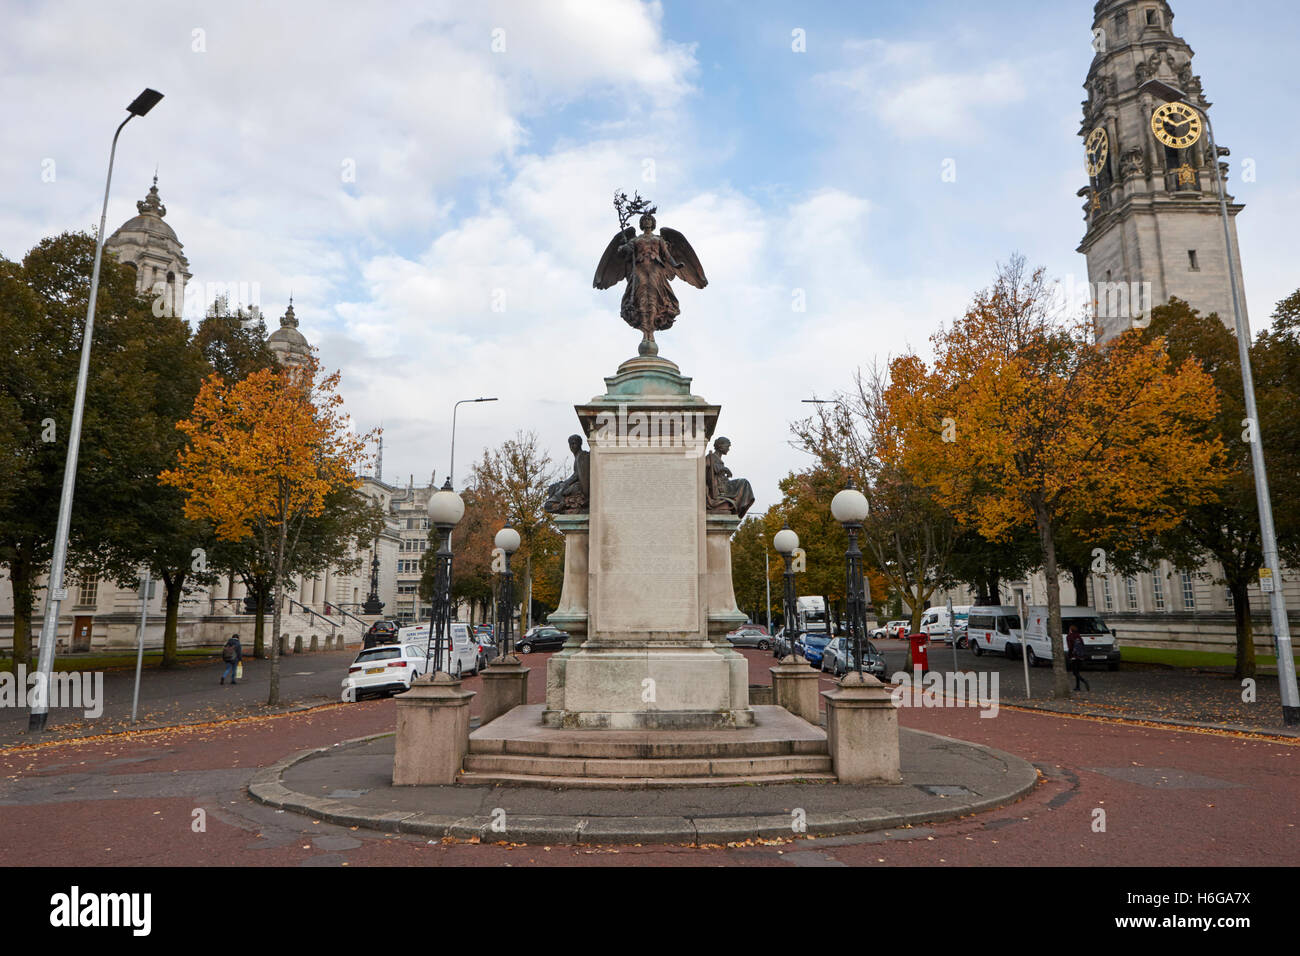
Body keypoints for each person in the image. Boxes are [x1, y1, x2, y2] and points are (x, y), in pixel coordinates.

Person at [1066, 625, 1089, 692]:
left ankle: (1084, 680)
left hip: (1074, 656)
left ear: (1070, 630)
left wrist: (1070, 656)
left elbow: (1070, 647)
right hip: (1080, 656)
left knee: (1075, 672)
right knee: (1077, 672)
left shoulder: (1069, 636)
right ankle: (1077, 687)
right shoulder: (1079, 636)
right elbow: (1082, 645)